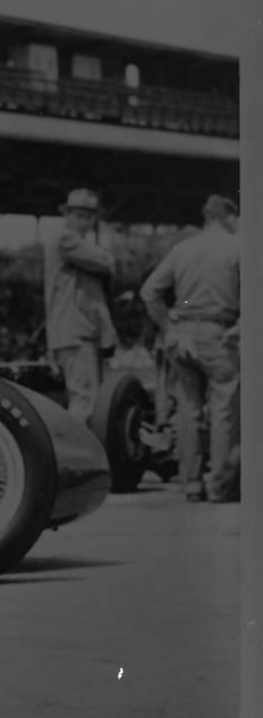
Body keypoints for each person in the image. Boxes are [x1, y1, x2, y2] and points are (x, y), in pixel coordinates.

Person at [139, 194, 240, 504]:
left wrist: (169, 329)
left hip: (181, 336)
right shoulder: (238, 247)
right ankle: (220, 486)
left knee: (188, 411)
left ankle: (191, 485)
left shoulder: (182, 249)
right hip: (219, 333)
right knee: (224, 411)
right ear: (228, 217)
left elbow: (149, 292)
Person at [43, 188, 117, 424]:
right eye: (79, 214)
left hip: (81, 332)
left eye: (89, 215)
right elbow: (105, 261)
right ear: (67, 215)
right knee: (84, 400)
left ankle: (78, 456)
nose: (84, 220)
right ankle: (72, 458)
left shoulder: (79, 247)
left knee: (88, 400)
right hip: (73, 332)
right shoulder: (66, 239)